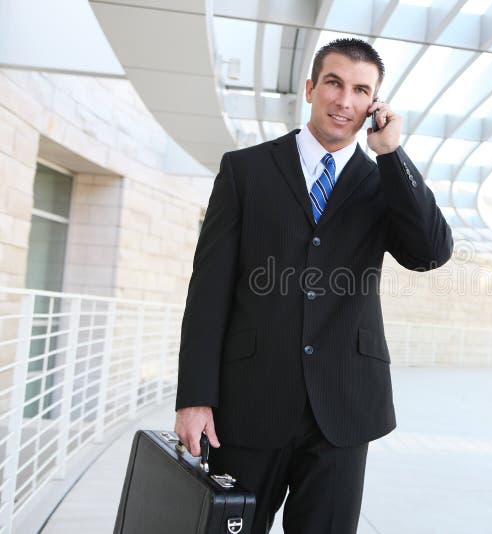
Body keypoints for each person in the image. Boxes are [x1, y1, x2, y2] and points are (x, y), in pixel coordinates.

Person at [173, 38, 453, 533]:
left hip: (344, 408)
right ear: (310, 88)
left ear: (374, 106)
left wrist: (392, 154)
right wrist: (194, 396)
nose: (345, 100)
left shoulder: (382, 182)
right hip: (248, 404)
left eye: (361, 90)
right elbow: (209, 290)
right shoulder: (245, 171)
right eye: (334, 83)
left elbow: (431, 252)